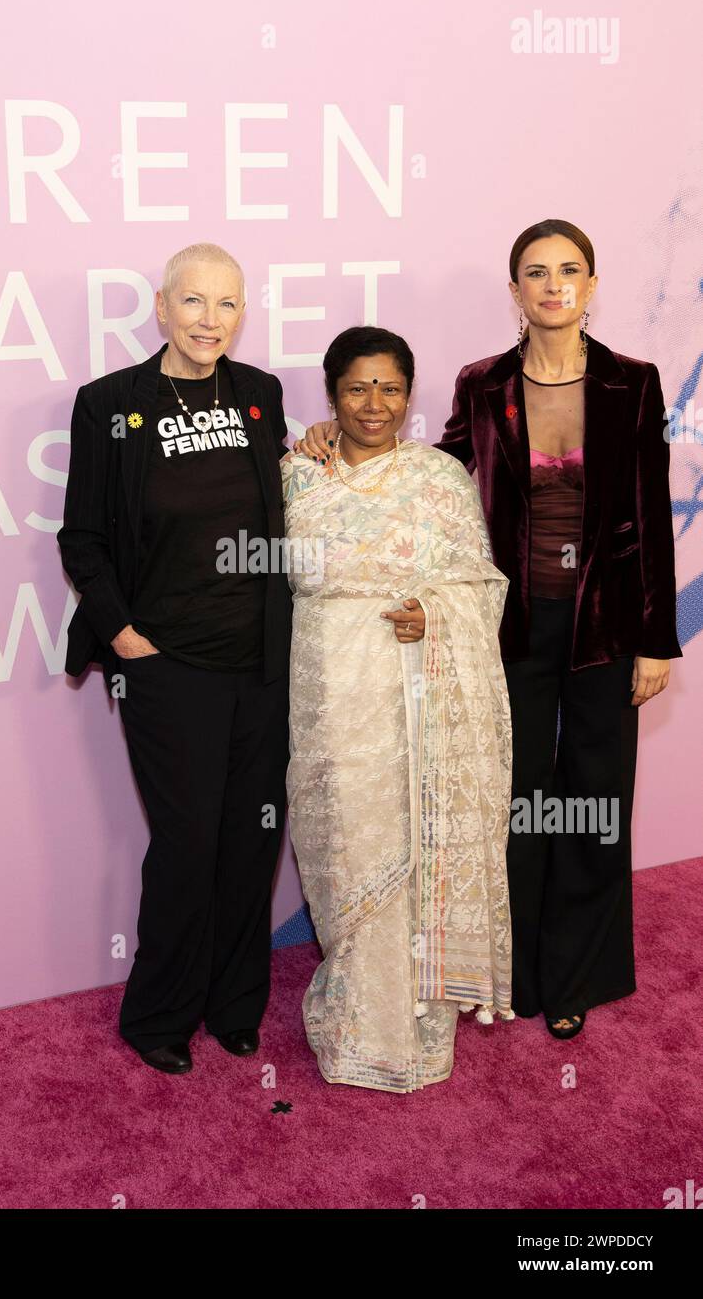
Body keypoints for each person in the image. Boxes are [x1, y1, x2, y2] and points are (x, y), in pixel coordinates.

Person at [296, 220, 682, 1040]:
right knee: (517, 801)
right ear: (515, 291)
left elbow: (650, 515)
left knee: (596, 799)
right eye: (535, 272)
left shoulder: (633, 384)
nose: (552, 285)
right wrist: (334, 441)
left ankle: (579, 974)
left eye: (569, 270)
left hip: (608, 629)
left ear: (591, 284)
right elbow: (427, 473)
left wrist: (657, 638)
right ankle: (522, 971)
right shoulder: (483, 383)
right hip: (505, 628)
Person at [57, 243, 292, 1074]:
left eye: (227, 305)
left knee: (251, 844)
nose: (210, 322)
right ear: (161, 308)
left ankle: (234, 1006)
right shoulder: (111, 405)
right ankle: (158, 1015)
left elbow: (286, 507)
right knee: (187, 844)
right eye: (194, 303)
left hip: (261, 663)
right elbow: (81, 536)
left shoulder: (260, 396)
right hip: (168, 664)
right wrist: (125, 638)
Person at [282, 325, 514, 1092]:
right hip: (328, 686)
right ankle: (354, 1010)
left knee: (414, 844)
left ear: (410, 396)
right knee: (342, 841)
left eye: (389, 388)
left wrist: (437, 614)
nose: (374, 404)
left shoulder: (440, 477)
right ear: (331, 396)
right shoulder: (297, 475)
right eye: (356, 388)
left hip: (416, 688)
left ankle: (412, 1023)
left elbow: (481, 583)